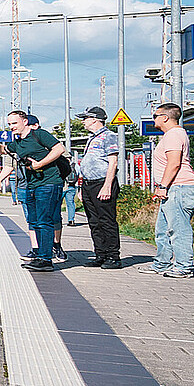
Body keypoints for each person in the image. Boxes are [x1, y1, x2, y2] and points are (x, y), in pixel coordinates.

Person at [0, 109, 66, 271]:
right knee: (34, 221)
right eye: (9, 124)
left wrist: (40, 164)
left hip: (49, 182)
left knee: (44, 220)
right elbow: (4, 151)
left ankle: (46, 259)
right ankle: (39, 256)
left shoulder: (39, 134)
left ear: (25, 122)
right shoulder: (18, 142)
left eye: (14, 123)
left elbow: (59, 149)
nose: (11, 127)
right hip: (32, 184)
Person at [149, 102, 194, 279]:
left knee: (178, 229)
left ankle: (183, 267)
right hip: (174, 187)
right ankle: (161, 264)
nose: (154, 119)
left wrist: (163, 186)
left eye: (155, 116)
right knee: (163, 229)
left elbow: (174, 163)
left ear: (165, 117)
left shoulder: (173, 135)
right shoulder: (171, 135)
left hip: (179, 187)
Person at [75, 106, 122, 268]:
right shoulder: (92, 138)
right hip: (89, 184)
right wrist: (81, 187)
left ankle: (113, 256)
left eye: (85, 118)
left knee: (106, 220)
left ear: (95, 119)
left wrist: (107, 185)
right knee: (94, 221)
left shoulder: (108, 136)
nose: (83, 121)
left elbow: (113, 162)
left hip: (102, 182)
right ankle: (100, 254)